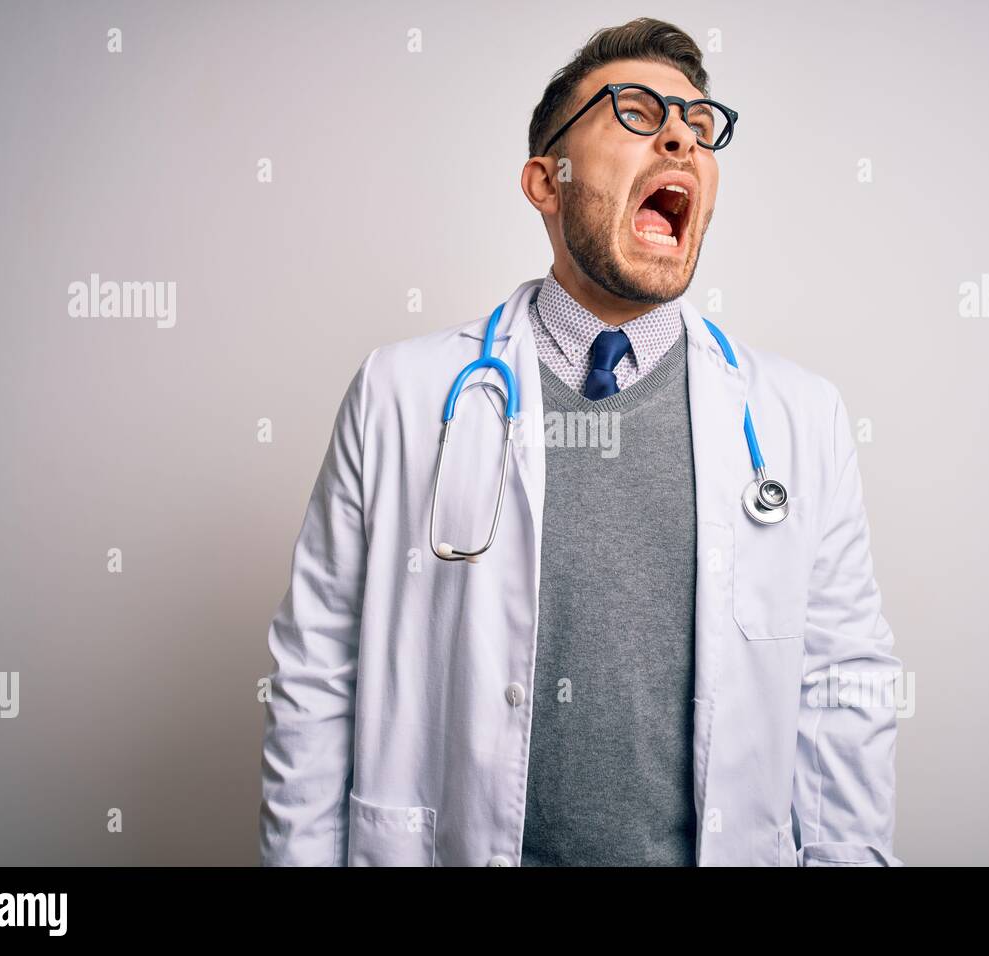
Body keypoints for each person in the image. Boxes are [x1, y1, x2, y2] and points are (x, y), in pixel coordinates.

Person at [260, 17, 903, 867]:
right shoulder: (401, 395)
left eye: (699, 127)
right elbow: (315, 680)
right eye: (635, 112)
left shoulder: (800, 417)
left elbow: (842, 692)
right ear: (545, 181)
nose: (680, 134)